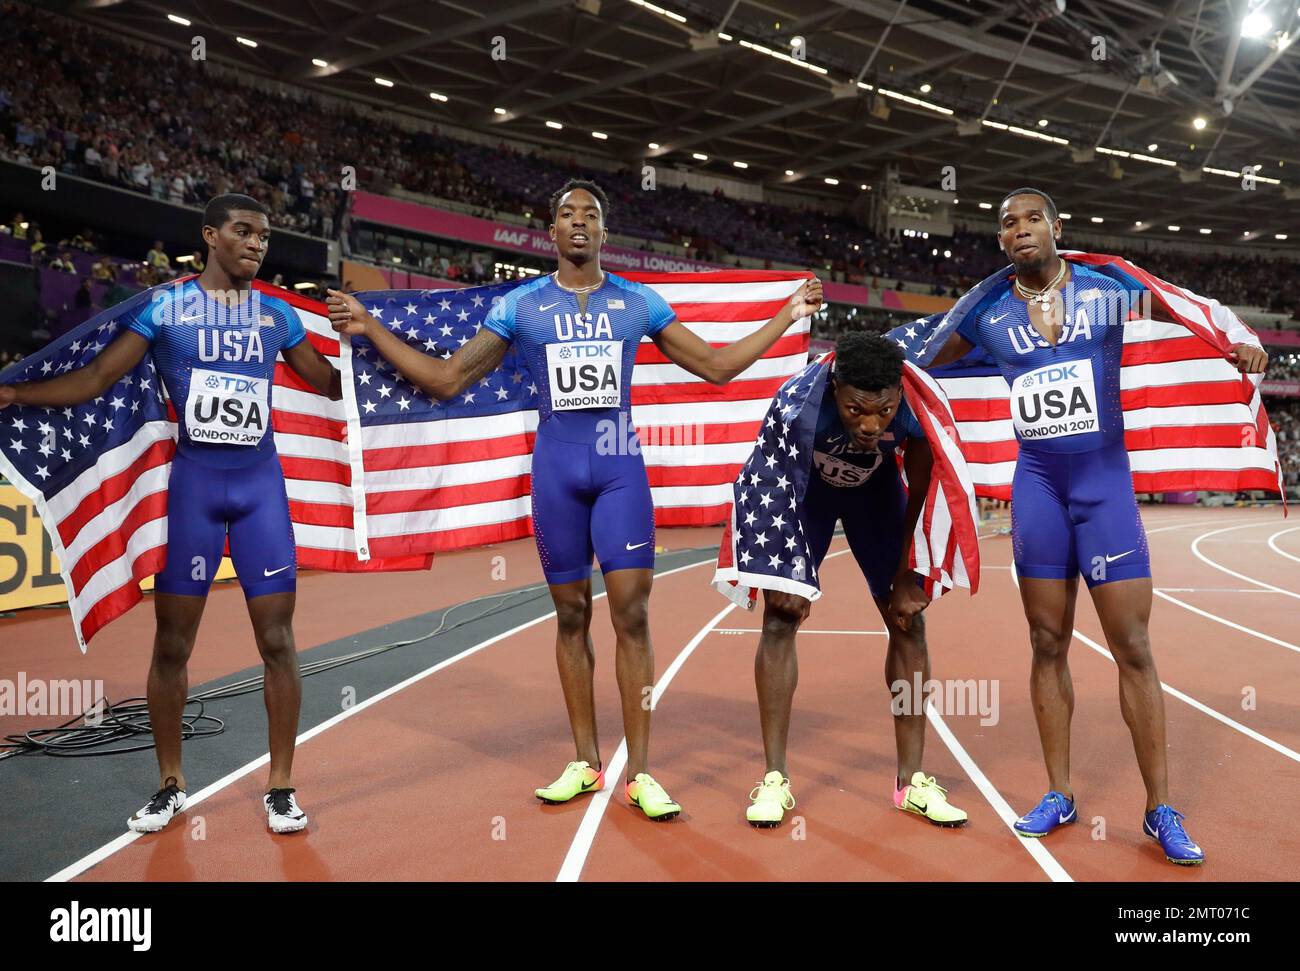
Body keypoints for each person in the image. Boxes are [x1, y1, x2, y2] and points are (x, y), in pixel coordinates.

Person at [326, 178, 822, 821]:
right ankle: (585, 761)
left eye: (591, 214)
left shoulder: (638, 302)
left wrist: (786, 316)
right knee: (569, 618)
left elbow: (719, 368)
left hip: (619, 472)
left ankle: (640, 772)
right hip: (555, 473)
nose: (580, 222)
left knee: (631, 616)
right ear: (552, 232)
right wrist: (368, 326)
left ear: (604, 233)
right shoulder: (522, 307)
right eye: (567, 214)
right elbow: (448, 380)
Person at [927, 188, 1269, 865]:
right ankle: (1060, 791)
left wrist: (1237, 338)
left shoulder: (1107, 292)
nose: (1019, 230)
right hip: (1039, 490)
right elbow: (921, 355)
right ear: (1000, 241)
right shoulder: (990, 316)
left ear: (1057, 228)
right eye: (1007, 223)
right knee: (1046, 638)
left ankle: (1160, 807)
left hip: (1103, 486)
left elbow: (1178, 304)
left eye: (1031, 219)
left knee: (1133, 644)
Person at [0, 193, 343, 835]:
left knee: (277, 640)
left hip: (260, 490)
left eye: (264, 237)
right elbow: (97, 377)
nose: (256, 245)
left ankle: (281, 786)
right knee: (173, 644)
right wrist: (15, 391)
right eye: (244, 232)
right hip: (196, 491)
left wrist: (376, 348)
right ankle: (170, 784)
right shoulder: (166, 308)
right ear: (210, 236)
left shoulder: (277, 314)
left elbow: (326, 382)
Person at [745, 332, 968, 827]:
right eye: (856, 411)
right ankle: (775, 778)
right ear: (835, 387)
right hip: (807, 495)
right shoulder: (797, 401)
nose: (871, 425)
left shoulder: (914, 403)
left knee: (908, 622)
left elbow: (925, 486)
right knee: (780, 617)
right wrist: (784, 569)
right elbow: (766, 483)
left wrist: (908, 568)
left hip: (876, 497)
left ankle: (910, 782)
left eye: (882, 412)